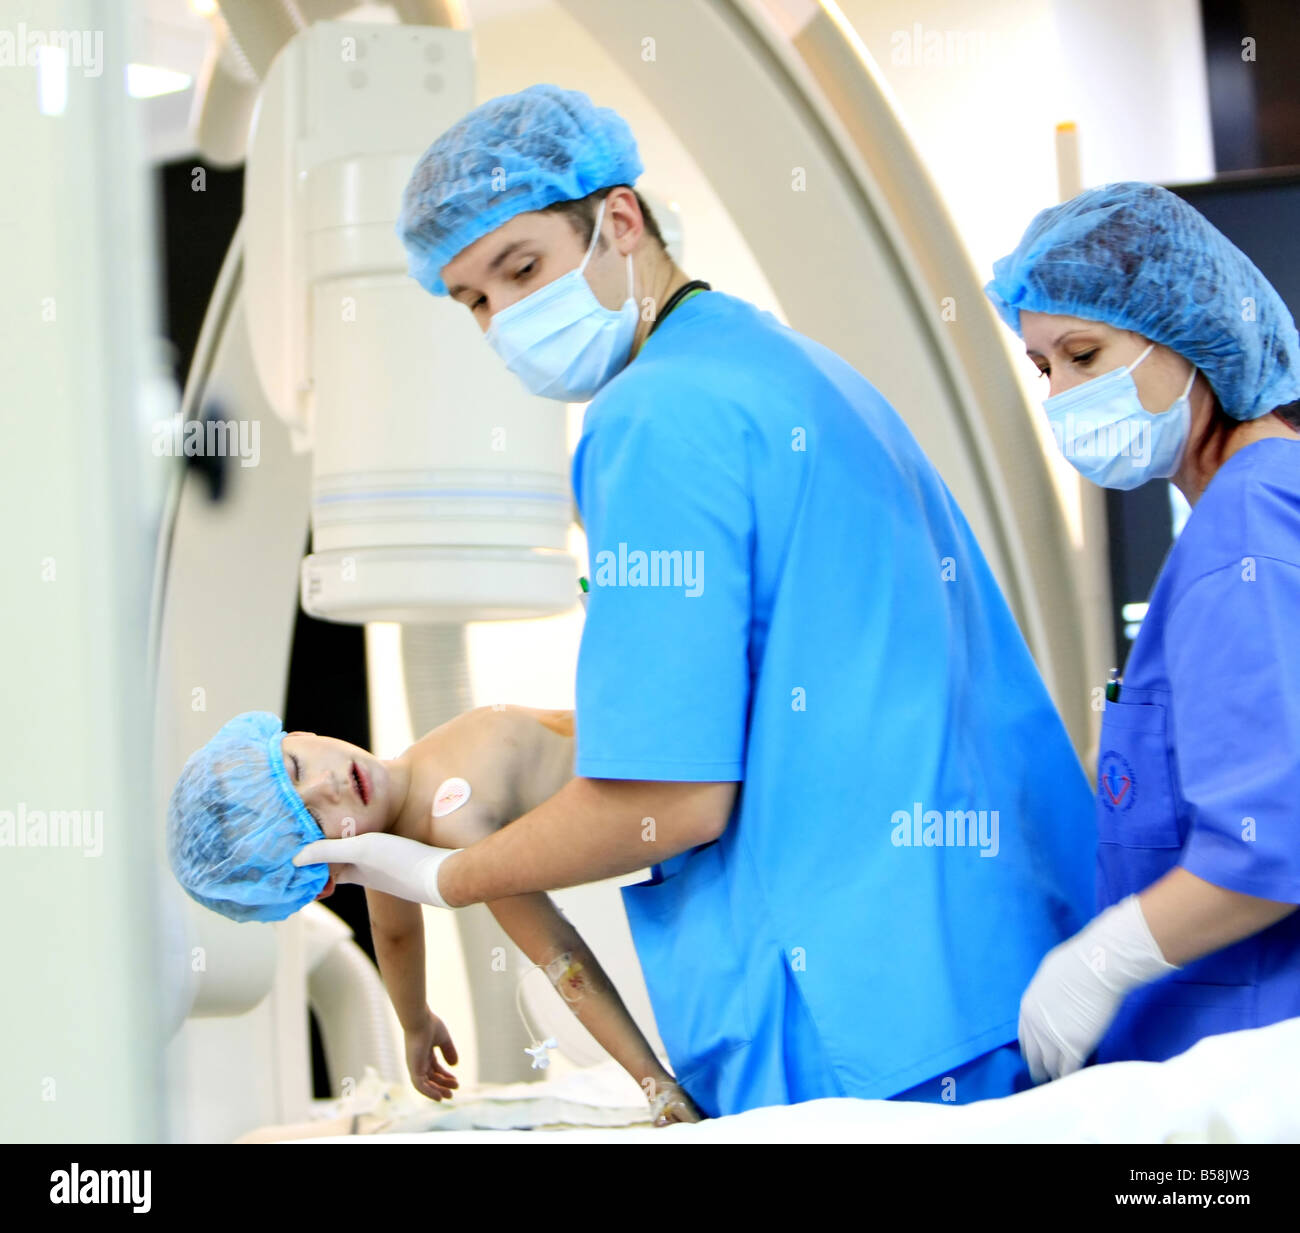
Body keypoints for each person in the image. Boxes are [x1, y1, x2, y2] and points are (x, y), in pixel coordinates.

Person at [295, 82, 1097, 1117]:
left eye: (522, 268)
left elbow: (667, 803)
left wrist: (446, 878)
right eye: (474, 300)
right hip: (984, 963)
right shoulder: (796, 371)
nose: (502, 318)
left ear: (618, 220)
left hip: (854, 1011)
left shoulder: (650, 420)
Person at [986, 181, 1300, 1082]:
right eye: (1045, 368)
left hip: (1247, 1072)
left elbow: (1270, 837)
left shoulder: (1247, 521)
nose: (1063, 394)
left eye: (1085, 353)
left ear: (1193, 330)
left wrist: (1101, 961)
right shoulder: (1254, 509)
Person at [167, 705, 702, 1124]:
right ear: (325, 875)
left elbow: (551, 956)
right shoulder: (447, 831)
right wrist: (654, 1083)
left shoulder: (421, 824)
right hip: (684, 790)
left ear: (298, 734)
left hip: (686, 768)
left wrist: (417, 1023)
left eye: (295, 767)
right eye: (311, 817)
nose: (326, 787)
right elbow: (556, 956)